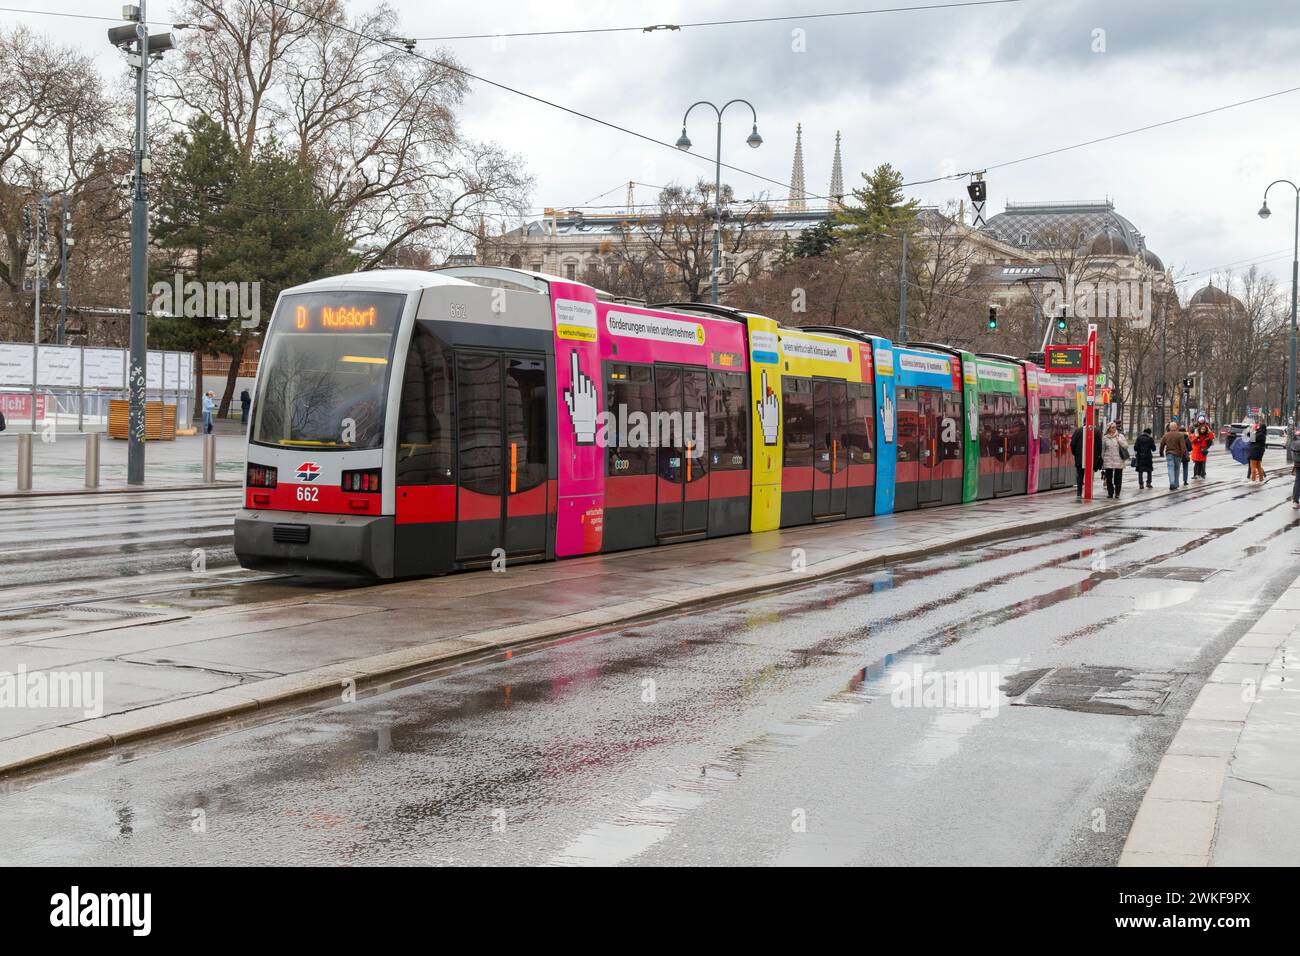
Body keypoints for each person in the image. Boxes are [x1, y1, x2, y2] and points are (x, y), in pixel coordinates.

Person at [1070, 423, 1102, 498]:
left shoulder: (1078, 431)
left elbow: (1072, 444)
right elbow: (1099, 446)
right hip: (1092, 458)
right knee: (1090, 476)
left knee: (1080, 476)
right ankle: (1089, 492)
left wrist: (1076, 453)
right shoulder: (1096, 431)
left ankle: (1079, 493)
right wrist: (1098, 456)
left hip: (1079, 458)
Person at [1100, 421, 1129, 498]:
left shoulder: (1120, 436)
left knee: (1118, 478)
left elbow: (1126, 446)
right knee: (1108, 478)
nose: (1114, 429)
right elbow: (1103, 450)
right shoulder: (1105, 438)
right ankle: (1110, 493)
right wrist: (1103, 459)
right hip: (1108, 460)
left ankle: (1117, 493)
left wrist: (1119, 441)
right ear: (1109, 428)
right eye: (1112, 427)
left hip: (1118, 460)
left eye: (1115, 427)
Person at [1159, 419, 1189, 490]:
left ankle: (1172, 483)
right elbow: (1183, 447)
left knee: (1170, 468)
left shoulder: (1166, 435)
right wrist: (1186, 455)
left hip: (1169, 454)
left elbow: (1162, 444)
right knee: (1177, 469)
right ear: (1176, 427)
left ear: (1169, 428)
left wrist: (1161, 453)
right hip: (1178, 455)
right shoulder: (1180, 435)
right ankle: (1176, 484)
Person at [1248, 416, 1267, 482]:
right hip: (1259, 452)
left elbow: (1252, 439)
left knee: (1253, 466)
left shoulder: (1260, 434)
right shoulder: (1262, 434)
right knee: (1258, 466)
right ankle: (1261, 479)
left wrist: (1252, 431)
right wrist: (1252, 431)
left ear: (1261, 427)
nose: (1258, 426)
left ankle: (1253, 480)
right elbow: (1250, 436)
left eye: (1259, 426)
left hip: (1255, 451)